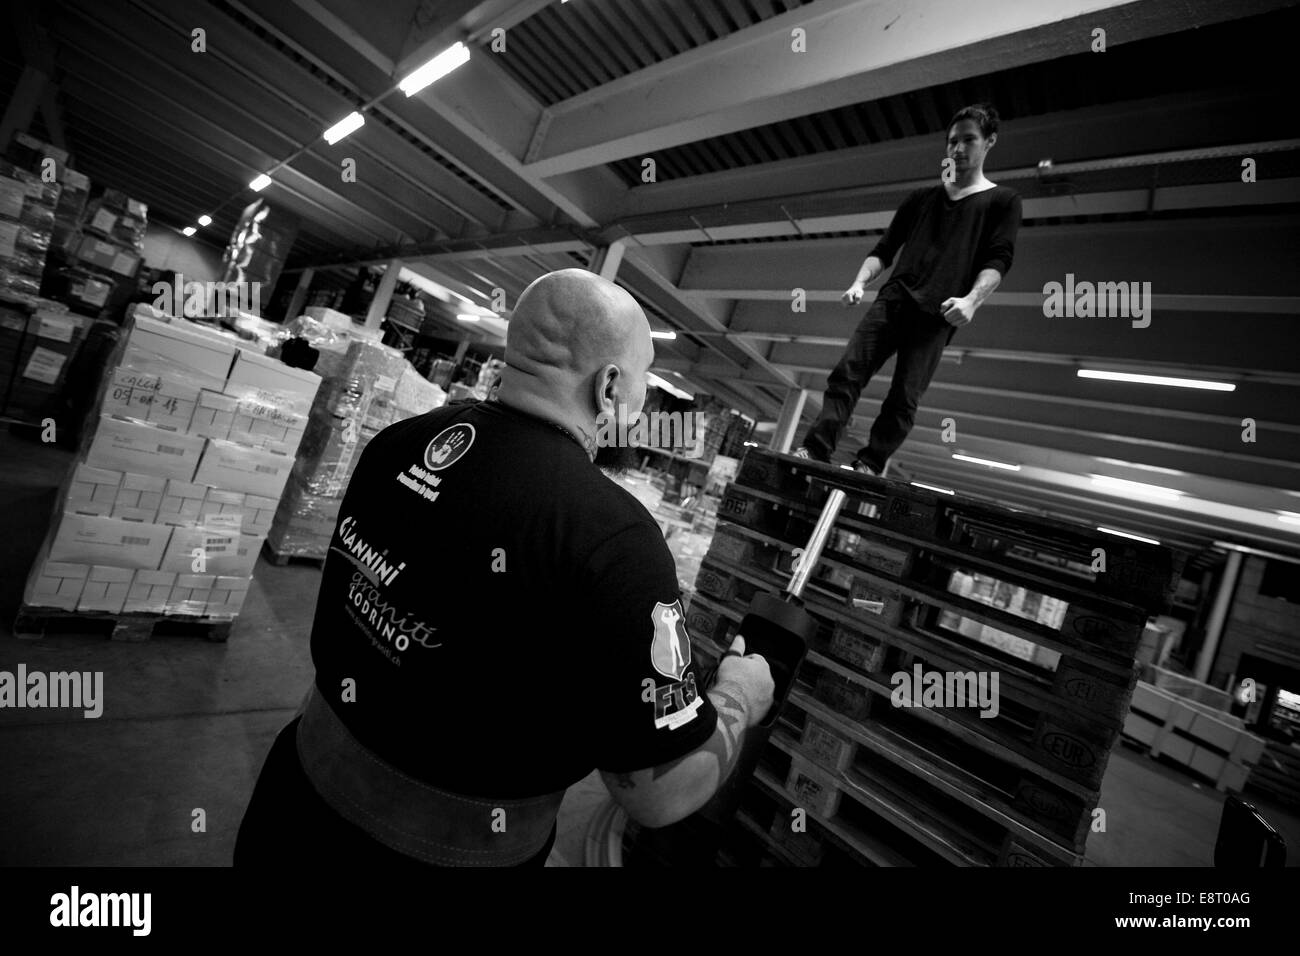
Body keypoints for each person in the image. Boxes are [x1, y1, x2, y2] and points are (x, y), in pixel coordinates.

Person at [234, 268, 774, 868]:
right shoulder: (615, 538)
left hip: (290, 810)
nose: (645, 403)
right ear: (610, 386)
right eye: (645, 380)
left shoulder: (397, 444)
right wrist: (739, 698)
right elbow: (657, 790)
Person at [795, 103, 1022, 475]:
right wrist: (859, 282)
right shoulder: (921, 199)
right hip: (893, 301)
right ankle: (816, 449)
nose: (958, 149)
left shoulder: (1002, 201)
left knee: (904, 397)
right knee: (847, 373)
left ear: (989, 142)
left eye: (969, 140)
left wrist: (972, 300)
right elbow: (884, 250)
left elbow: (999, 260)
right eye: (952, 141)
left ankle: (870, 463)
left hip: (938, 313)